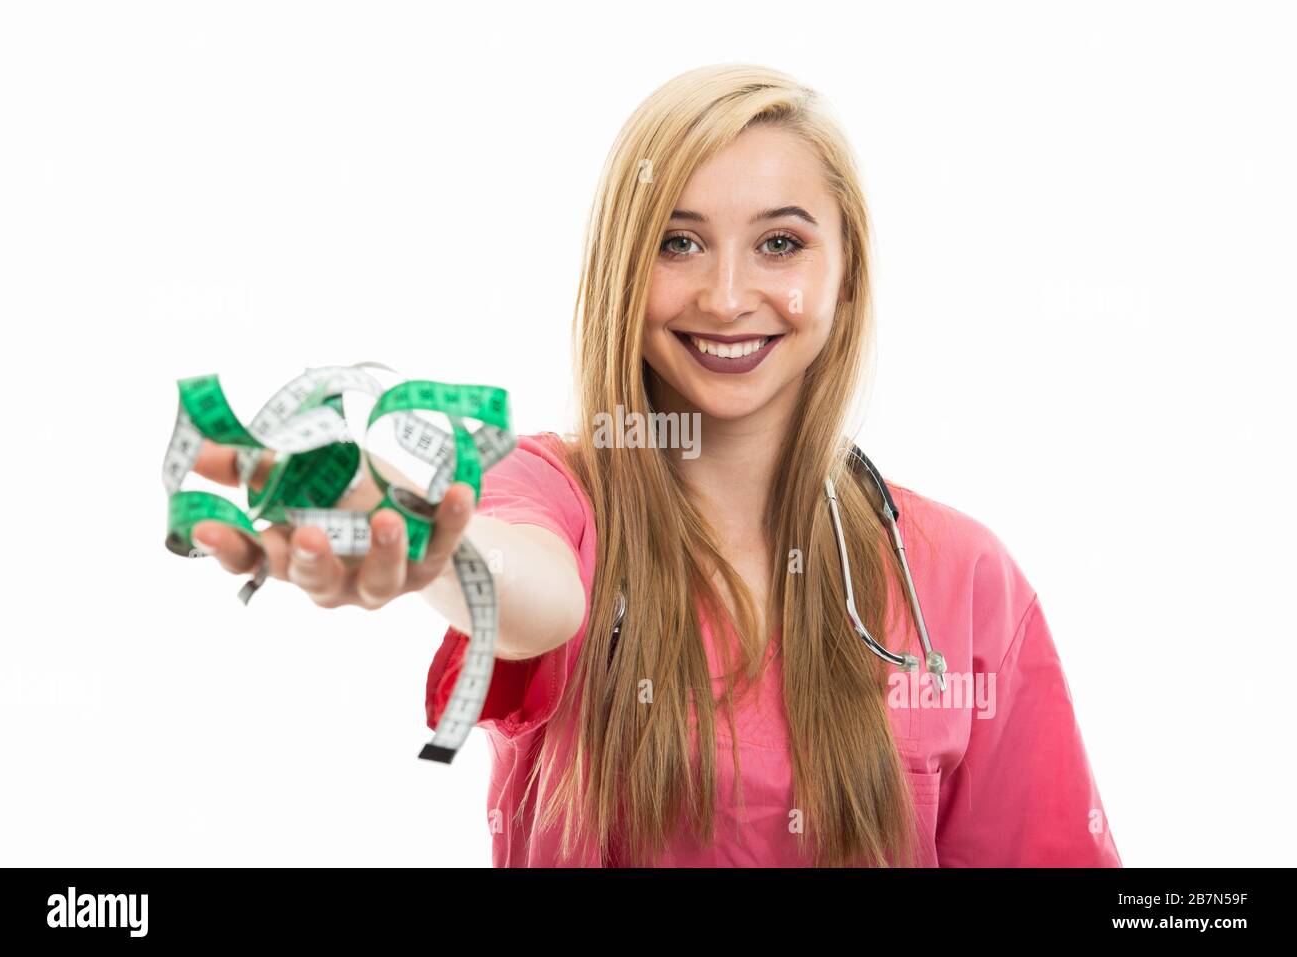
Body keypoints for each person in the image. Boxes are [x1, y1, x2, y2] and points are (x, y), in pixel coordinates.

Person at [189, 64, 1122, 868]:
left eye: (780, 242)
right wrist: (436, 546)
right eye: (678, 242)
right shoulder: (553, 494)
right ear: (621, 269)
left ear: (847, 274)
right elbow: (532, 593)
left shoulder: (962, 577)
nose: (725, 295)